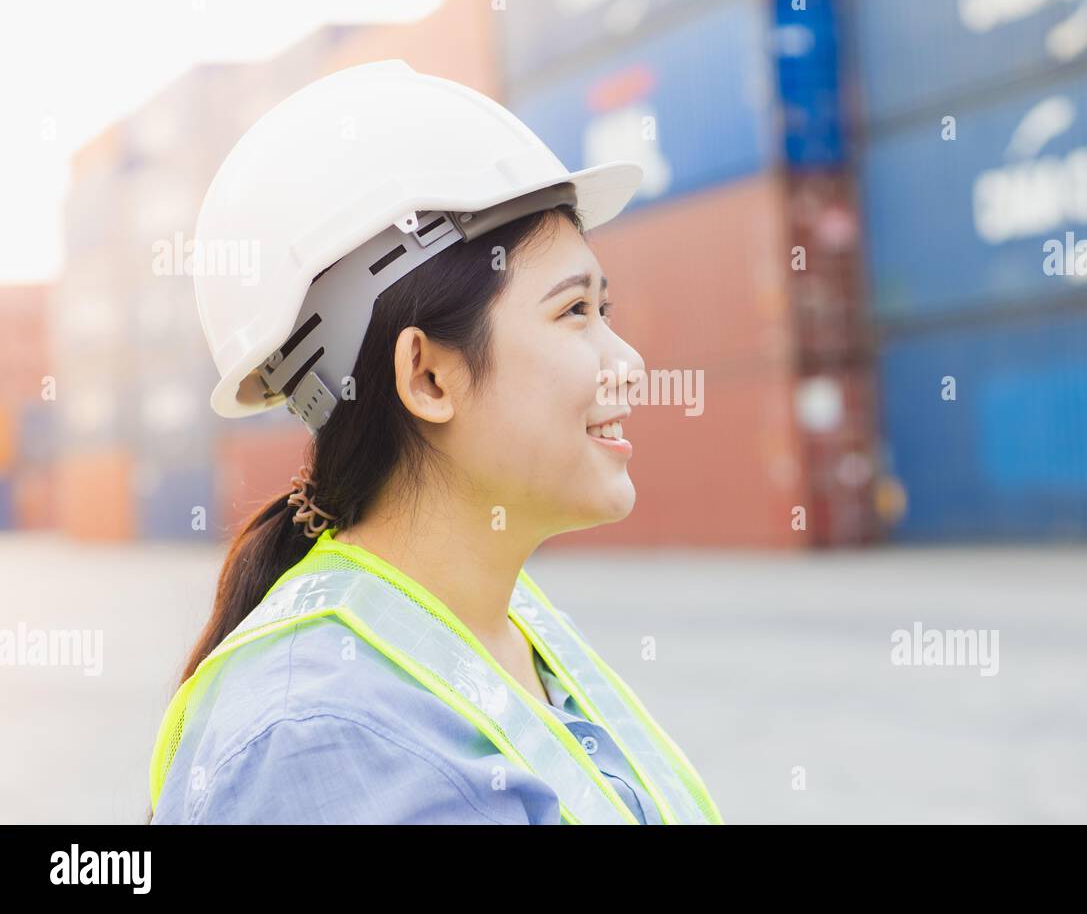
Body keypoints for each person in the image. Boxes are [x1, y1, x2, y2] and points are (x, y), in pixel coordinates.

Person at [146, 60, 724, 825]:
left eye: (603, 308)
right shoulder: (319, 742)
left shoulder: (504, 627)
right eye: (575, 312)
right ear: (427, 376)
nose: (630, 363)